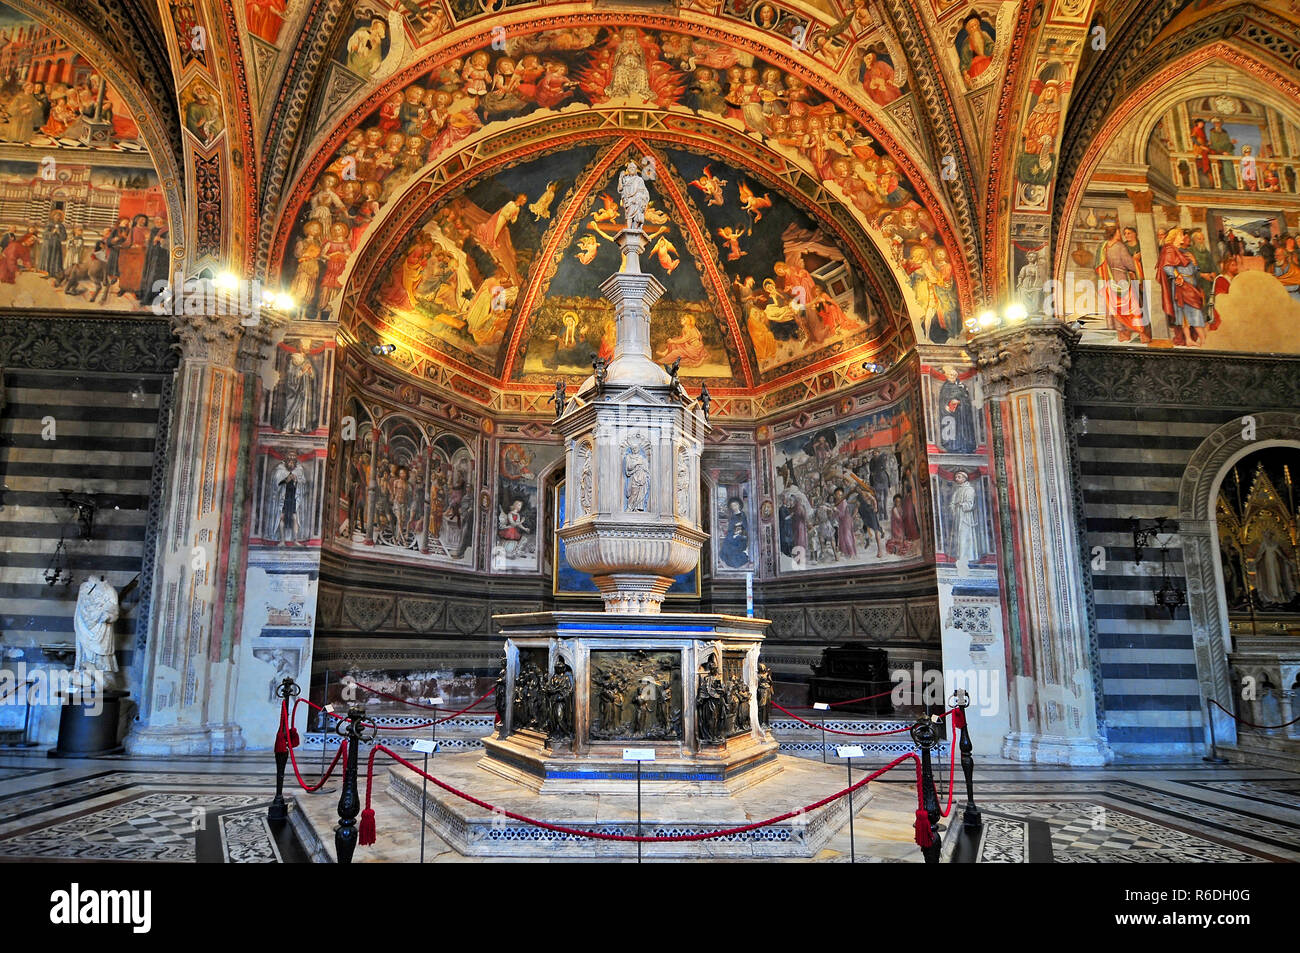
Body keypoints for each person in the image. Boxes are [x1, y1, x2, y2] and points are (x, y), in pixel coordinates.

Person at [1158, 227, 1208, 346]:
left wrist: (1195, 264)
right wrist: (1177, 275)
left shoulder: (1182, 251)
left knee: (1189, 314)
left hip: (1190, 284)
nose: (1183, 237)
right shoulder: (1170, 249)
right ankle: (1201, 340)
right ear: (1175, 237)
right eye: (1181, 235)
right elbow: (1166, 266)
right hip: (1183, 287)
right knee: (1191, 314)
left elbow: (1194, 270)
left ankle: (1192, 339)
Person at [949, 470, 977, 573]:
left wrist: (961, 505)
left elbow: (970, 504)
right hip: (958, 517)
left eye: (959, 477)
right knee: (958, 538)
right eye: (956, 477)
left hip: (965, 518)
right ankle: (959, 560)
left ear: (964, 478)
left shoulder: (969, 490)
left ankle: (964, 561)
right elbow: (952, 503)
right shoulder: (957, 491)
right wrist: (953, 507)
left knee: (964, 538)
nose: (956, 479)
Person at [719, 497, 750, 569]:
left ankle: (735, 562)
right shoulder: (733, 516)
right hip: (732, 534)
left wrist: (737, 533)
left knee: (732, 543)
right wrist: (731, 532)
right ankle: (729, 560)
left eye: (735, 505)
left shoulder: (742, 514)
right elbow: (731, 527)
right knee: (727, 542)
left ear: (739, 505)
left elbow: (744, 527)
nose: (734, 507)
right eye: (732, 506)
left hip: (741, 536)